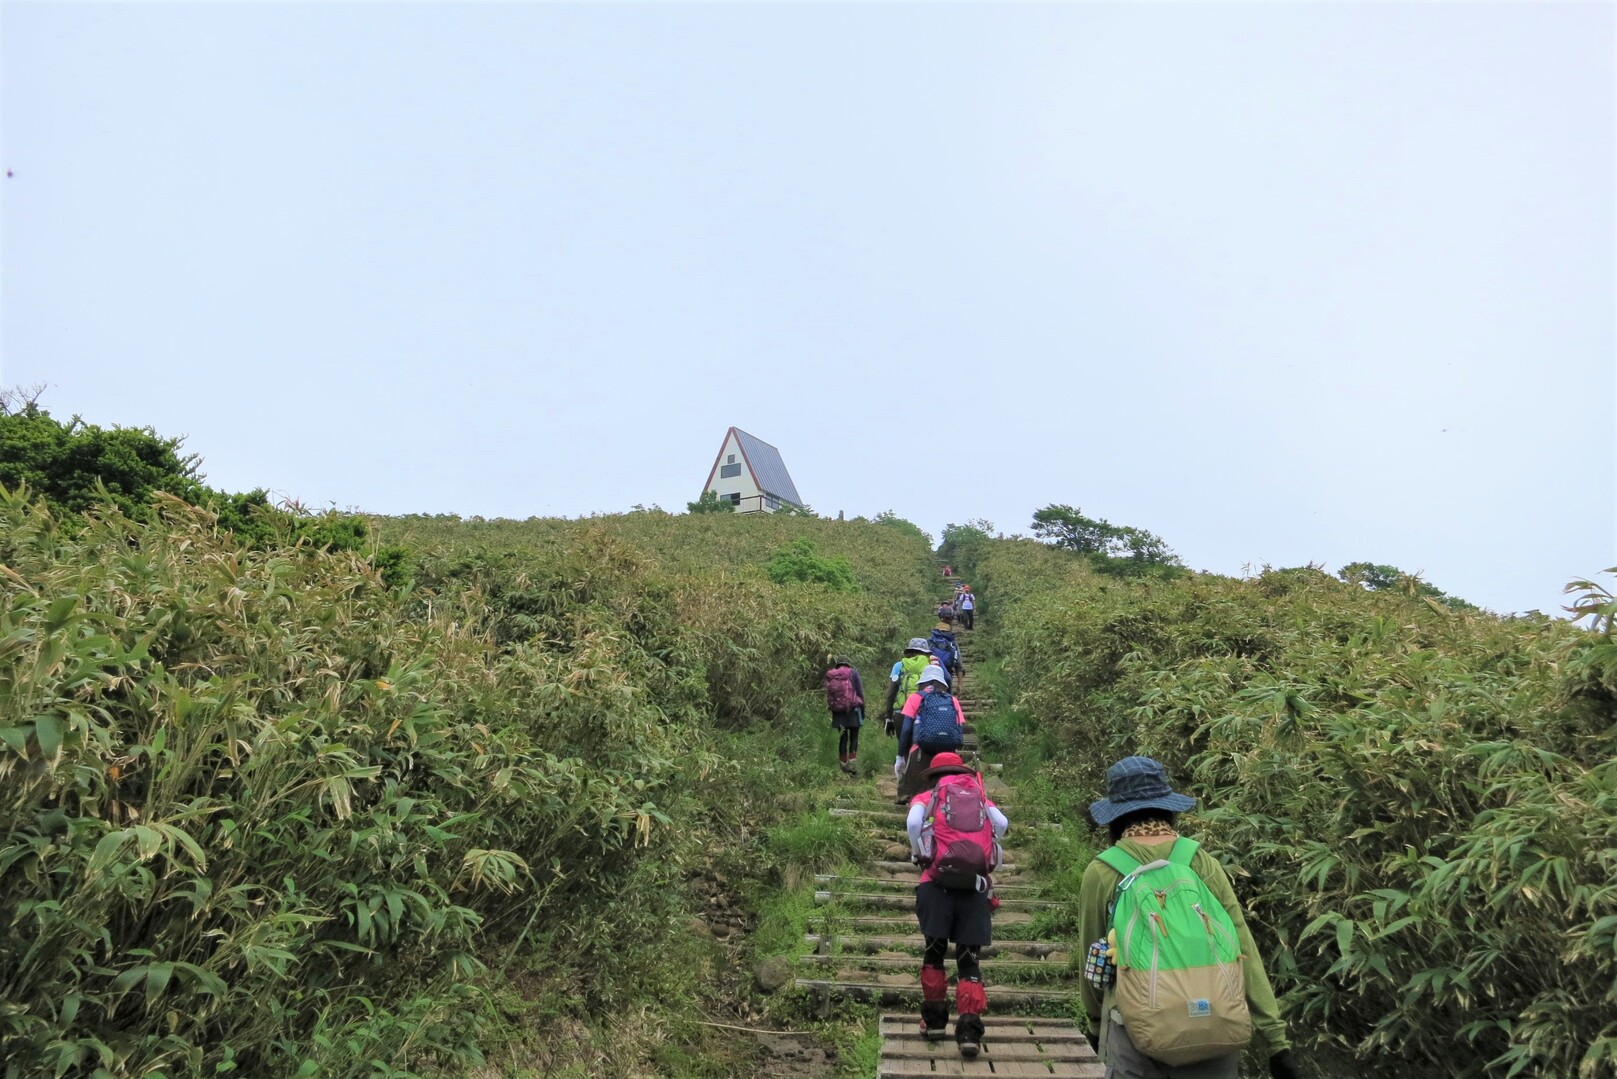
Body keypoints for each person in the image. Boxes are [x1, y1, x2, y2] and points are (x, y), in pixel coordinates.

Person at [1078, 757, 1300, 1079]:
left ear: (1115, 816)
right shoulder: (1201, 862)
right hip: (1214, 1025)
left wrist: (1094, 1024)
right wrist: (1276, 1042)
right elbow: (1242, 948)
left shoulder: (1103, 871)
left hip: (1134, 1030)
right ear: (1169, 808)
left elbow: (1092, 957)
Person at [906, 751, 1008, 1058]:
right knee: (969, 960)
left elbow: (913, 824)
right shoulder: (978, 796)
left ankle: (935, 1022)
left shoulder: (927, 797)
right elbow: (1002, 823)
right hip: (974, 888)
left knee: (934, 951)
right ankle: (968, 1033)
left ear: (934, 775)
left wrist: (918, 853)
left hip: (935, 884)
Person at [893, 664, 966, 803]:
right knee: (946, 796)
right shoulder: (952, 700)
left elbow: (906, 729)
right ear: (942, 683)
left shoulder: (915, 698)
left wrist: (900, 756)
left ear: (923, 681)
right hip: (948, 756)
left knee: (912, 795)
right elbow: (959, 728)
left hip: (920, 754)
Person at [823, 656, 865, 773]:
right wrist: (862, 708)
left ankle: (843, 764)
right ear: (848, 664)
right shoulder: (853, 673)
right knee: (854, 736)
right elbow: (860, 692)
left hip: (837, 711)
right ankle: (852, 763)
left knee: (843, 737)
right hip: (853, 709)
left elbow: (830, 695)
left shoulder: (832, 675)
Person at [884, 638, 933, 736]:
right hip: (924, 712)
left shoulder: (899, 666)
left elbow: (891, 694)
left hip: (902, 712)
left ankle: (902, 752)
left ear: (909, 652)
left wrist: (888, 717)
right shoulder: (931, 666)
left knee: (903, 747)